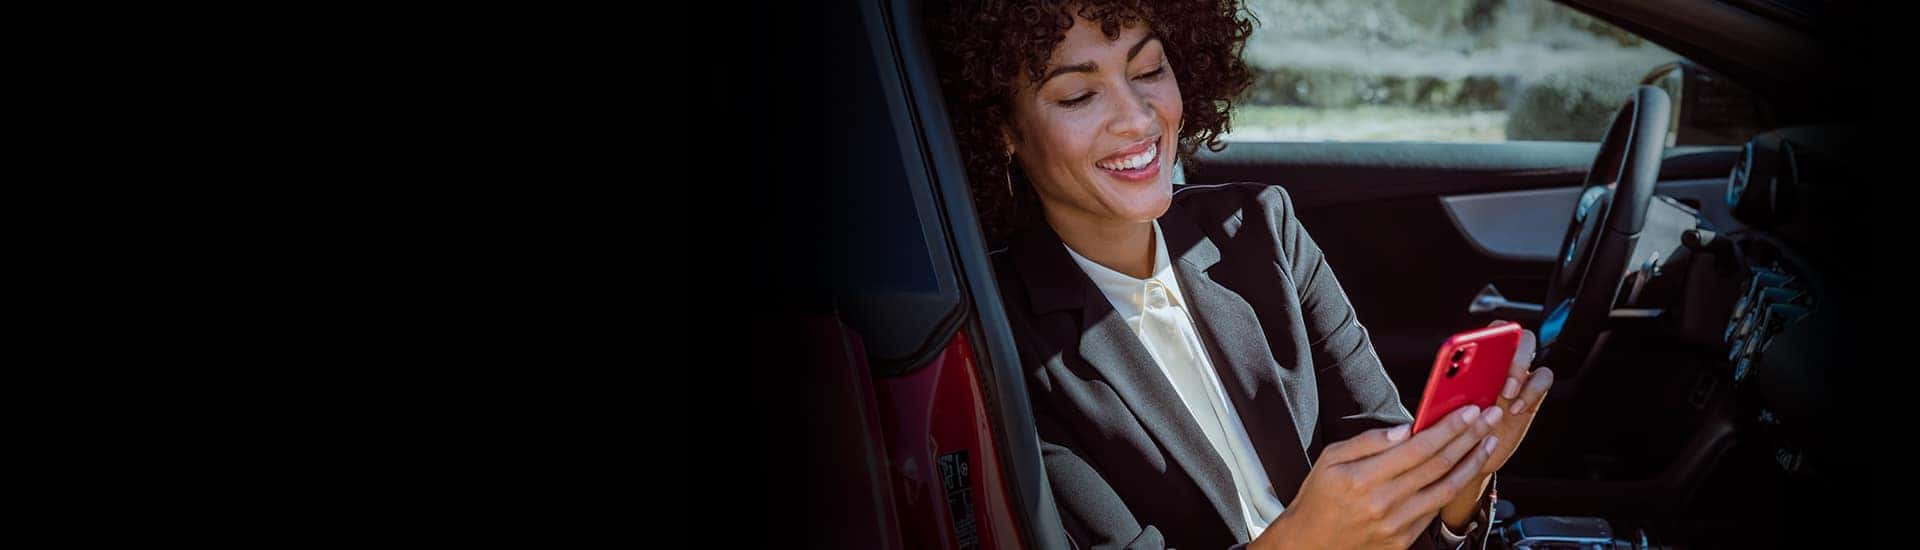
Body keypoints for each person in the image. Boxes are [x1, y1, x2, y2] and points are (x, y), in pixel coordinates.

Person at [927, 2, 1557, 548]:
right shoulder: (999, 339)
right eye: (1078, 95)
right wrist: (1304, 541)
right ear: (1003, 129)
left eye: (1149, 71)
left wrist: (1462, 475)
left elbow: (1402, 503)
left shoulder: (1261, 229)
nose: (1138, 118)